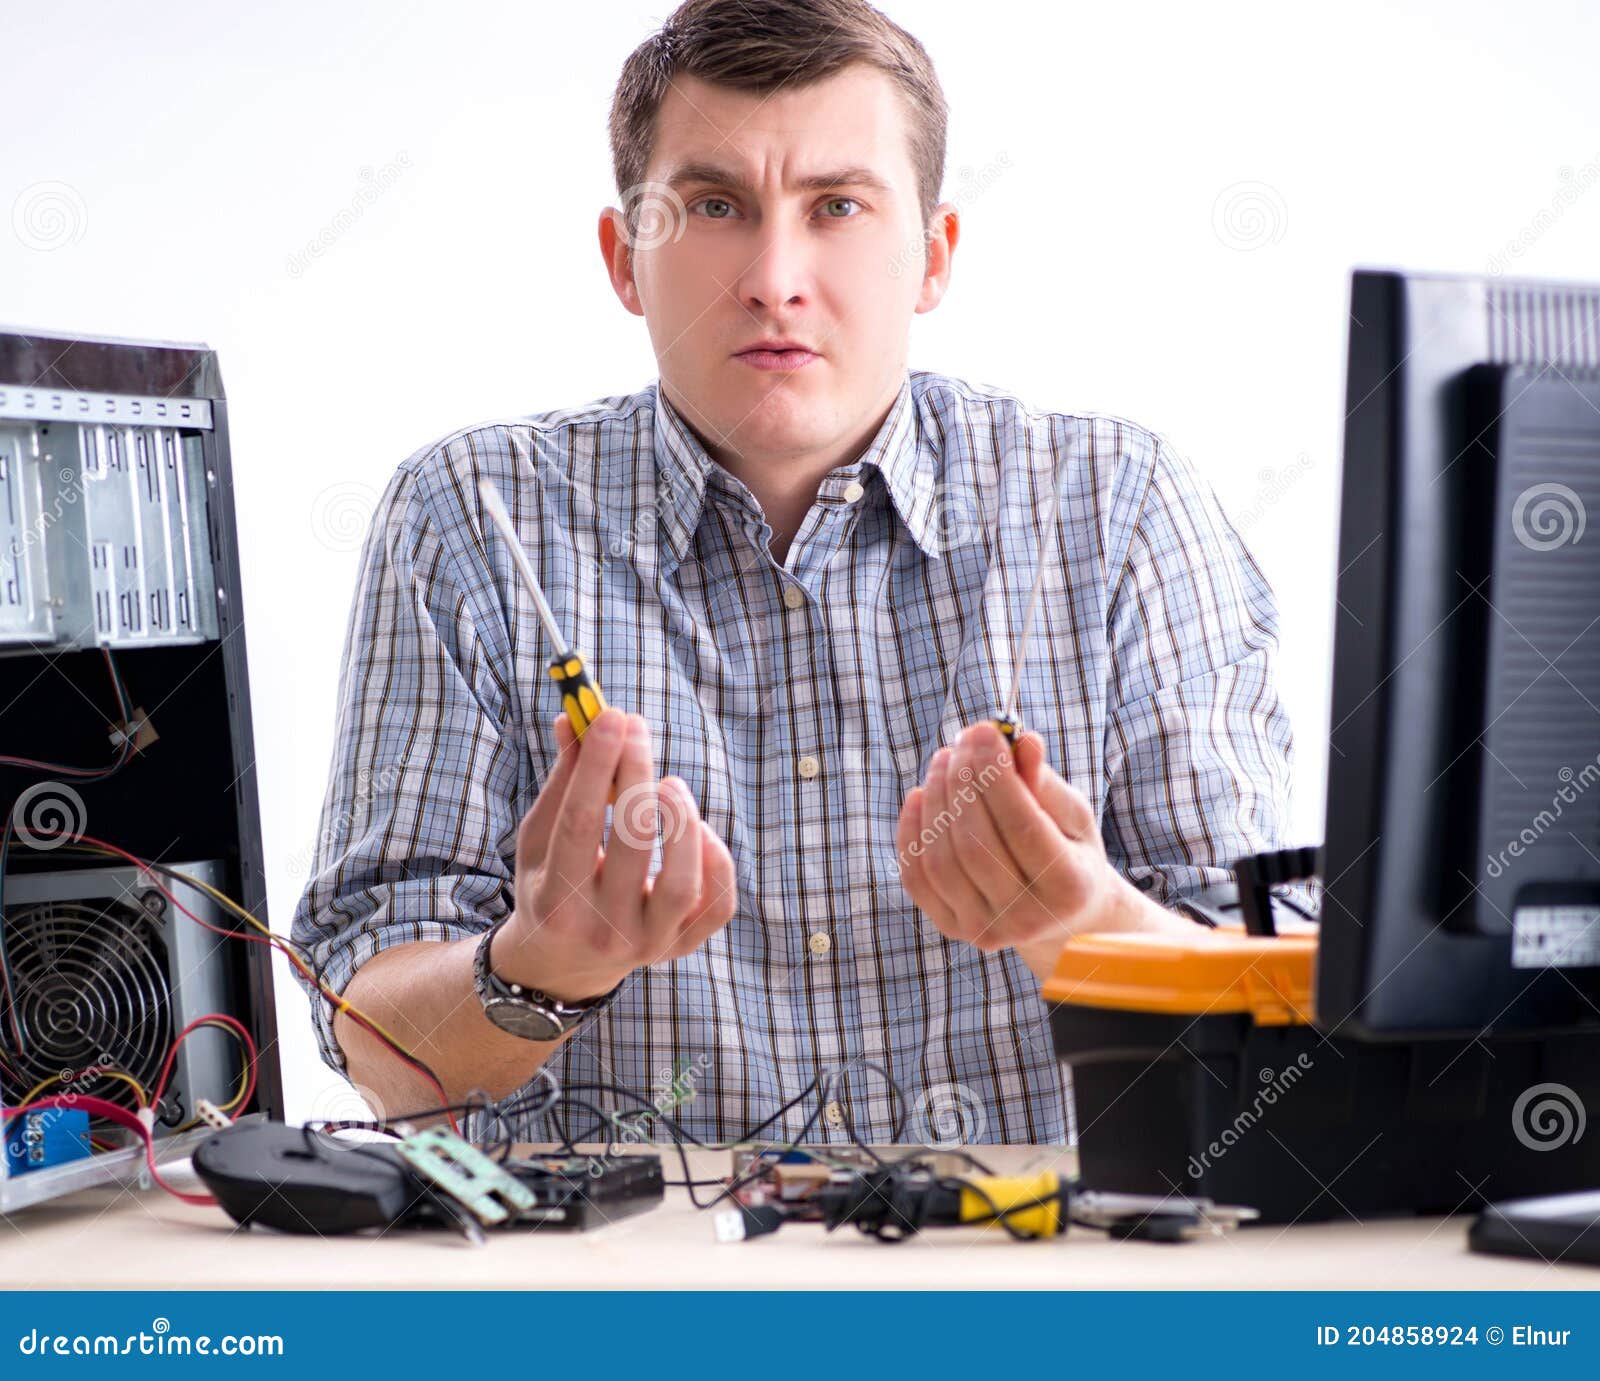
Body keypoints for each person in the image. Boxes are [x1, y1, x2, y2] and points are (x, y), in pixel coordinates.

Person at [290, 0, 1299, 1146]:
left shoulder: (1119, 507)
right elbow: (381, 1053)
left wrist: (1089, 923)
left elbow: (1271, 1021)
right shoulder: (472, 518)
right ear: (624, 259)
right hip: (633, 1264)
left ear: (932, 256)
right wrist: (538, 969)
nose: (774, 278)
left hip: (1034, 1251)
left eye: (838, 206)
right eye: (715, 206)